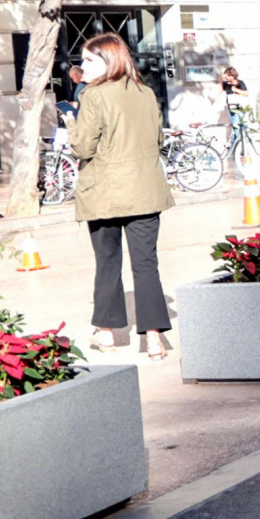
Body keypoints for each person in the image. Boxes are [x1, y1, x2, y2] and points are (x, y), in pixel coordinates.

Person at [69, 33, 174, 359]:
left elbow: (82, 147)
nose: (81, 66)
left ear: (108, 60)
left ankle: (106, 333)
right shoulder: (145, 93)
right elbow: (156, 141)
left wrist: (70, 121)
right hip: (145, 190)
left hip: (105, 193)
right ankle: (154, 340)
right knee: (146, 265)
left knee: (108, 262)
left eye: (88, 59)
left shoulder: (92, 96)